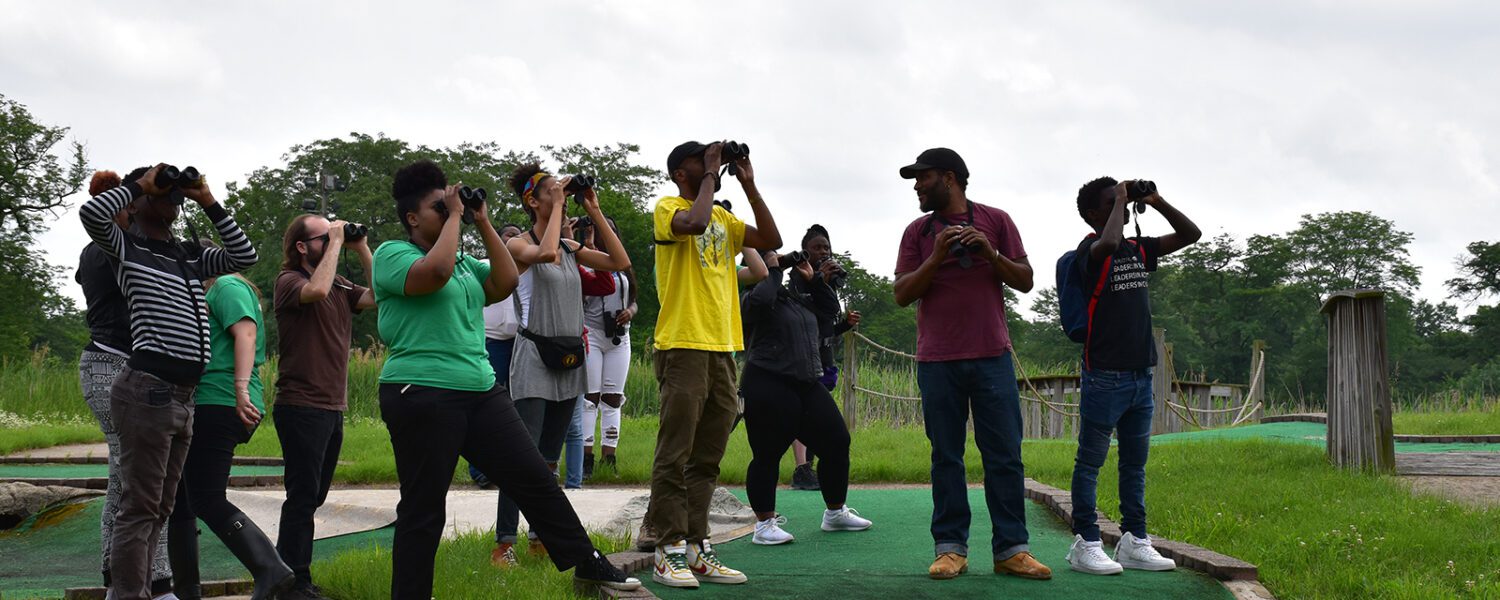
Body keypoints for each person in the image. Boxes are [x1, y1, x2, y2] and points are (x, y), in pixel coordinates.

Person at [372, 159, 637, 598]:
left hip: (479, 390)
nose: (448, 209)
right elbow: (432, 275)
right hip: (419, 392)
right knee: (423, 508)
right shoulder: (393, 255)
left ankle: (585, 561)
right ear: (413, 218)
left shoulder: (462, 262)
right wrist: (458, 216)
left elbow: (506, 280)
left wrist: (482, 219)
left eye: (449, 203)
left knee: (534, 475)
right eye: (439, 206)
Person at [79, 163, 258, 600]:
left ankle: (146, 589)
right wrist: (139, 185)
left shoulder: (188, 256)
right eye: (164, 197)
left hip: (182, 396)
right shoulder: (127, 248)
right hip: (147, 389)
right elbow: (91, 215)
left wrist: (207, 200)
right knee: (139, 509)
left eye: (174, 197)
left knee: (161, 506)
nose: (172, 205)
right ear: (140, 204)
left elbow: (244, 256)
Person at [892, 148, 1051, 581]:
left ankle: (1012, 550)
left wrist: (991, 254)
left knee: (1004, 456)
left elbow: (1025, 280)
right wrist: (936, 256)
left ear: (949, 178)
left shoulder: (996, 221)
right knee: (946, 456)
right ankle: (950, 549)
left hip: (992, 357)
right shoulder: (917, 232)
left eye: (922, 178)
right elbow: (903, 294)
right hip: (937, 359)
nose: (917, 186)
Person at [649, 141, 781, 588]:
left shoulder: (725, 218)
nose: (712, 165)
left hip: (723, 347)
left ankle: (697, 547)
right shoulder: (668, 207)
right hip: (682, 345)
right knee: (675, 452)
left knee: (707, 456)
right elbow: (696, 221)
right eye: (701, 160)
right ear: (679, 172)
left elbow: (772, 240)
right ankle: (666, 549)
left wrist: (747, 180)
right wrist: (710, 171)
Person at [489, 163, 631, 566]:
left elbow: (619, 262)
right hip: (534, 359)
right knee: (523, 457)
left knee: (549, 458)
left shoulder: (570, 248)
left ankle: (540, 536)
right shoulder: (518, 247)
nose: (560, 197)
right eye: (551, 191)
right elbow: (545, 252)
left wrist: (594, 209)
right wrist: (555, 210)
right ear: (531, 201)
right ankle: (504, 543)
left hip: (571, 360)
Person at [1064, 177, 1200, 575]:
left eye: (1122, 202)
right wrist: (1122, 196)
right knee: (1090, 463)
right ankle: (1086, 542)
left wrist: (1155, 201)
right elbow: (1106, 244)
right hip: (1104, 375)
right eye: (1112, 203)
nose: (1122, 208)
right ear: (1094, 213)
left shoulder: (1139, 249)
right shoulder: (1088, 251)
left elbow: (1191, 234)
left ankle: (1134, 540)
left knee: (1134, 465)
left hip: (1142, 376)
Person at [75, 170, 176, 598]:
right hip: (109, 364)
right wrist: (139, 190)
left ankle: (138, 577)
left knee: (137, 477)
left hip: (130, 367)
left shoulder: (122, 248)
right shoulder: (106, 249)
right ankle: (136, 580)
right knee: (130, 477)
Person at [168, 267, 293, 600]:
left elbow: (246, 334)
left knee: (206, 498)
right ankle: (186, 591)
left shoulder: (226, 286)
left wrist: (240, 390)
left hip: (221, 400)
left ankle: (271, 569)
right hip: (204, 402)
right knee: (179, 499)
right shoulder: (208, 297)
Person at [271, 214, 376, 599]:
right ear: (302, 246)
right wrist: (335, 243)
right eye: (322, 236)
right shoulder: (290, 281)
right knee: (302, 497)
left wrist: (360, 246)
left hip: (331, 406)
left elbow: (379, 295)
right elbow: (315, 290)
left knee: (313, 497)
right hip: (301, 404)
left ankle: (286, 575)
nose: (332, 239)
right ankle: (293, 581)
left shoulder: (340, 285)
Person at [741, 249, 873, 546]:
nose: (777, 261)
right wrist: (773, 270)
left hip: (806, 381)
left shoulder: (792, 297)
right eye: (769, 258)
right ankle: (764, 525)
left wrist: (814, 281)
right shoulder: (748, 296)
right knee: (767, 454)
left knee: (837, 441)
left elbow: (828, 314)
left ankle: (835, 512)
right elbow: (761, 299)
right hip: (767, 381)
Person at [786, 224, 863, 491]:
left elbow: (826, 321)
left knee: (813, 415)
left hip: (825, 357)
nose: (823, 252)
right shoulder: (799, 276)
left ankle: (808, 468)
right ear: (805, 250)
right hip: (804, 358)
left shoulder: (826, 282)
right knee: (805, 414)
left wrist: (845, 325)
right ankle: (801, 469)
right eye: (817, 247)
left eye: (826, 248)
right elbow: (802, 312)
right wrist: (818, 279)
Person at [580, 217, 639, 480]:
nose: (607, 233)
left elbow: (634, 300)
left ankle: (610, 457)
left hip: (619, 337)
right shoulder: (585, 260)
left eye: (612, 229)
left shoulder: (624, 266)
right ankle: (585, 458)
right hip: (591, 334)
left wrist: (629, 312)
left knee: (613, 398)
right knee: (590, 397)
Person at [470, 223, 524, 490]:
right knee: (484, 406)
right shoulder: (481, 264)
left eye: (517, 235)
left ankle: (509, 466)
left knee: (513, 409)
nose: (513, 239)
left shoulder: (524, 267)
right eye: (508, 235)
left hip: (519, 342)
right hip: (490, 342)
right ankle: (481, 471)